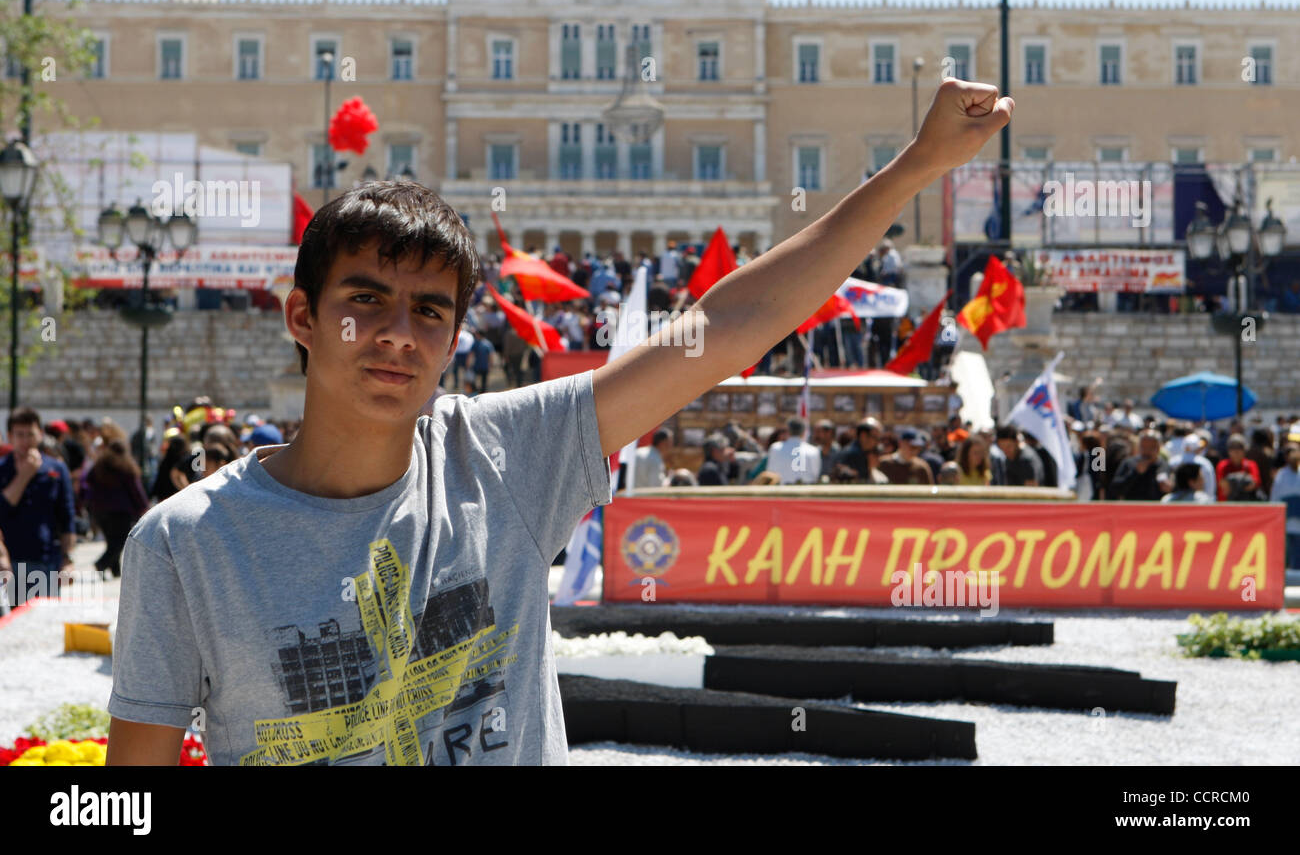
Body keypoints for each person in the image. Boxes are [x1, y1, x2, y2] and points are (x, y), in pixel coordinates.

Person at [108, 78, 1012, 765]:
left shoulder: (508, 453)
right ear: (301, 316)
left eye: (429, 311)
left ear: (458, 337)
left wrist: (918, 167)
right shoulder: (184, 545)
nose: (396, 334)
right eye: (365, 299)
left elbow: (729, 328)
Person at [0, 407, 77, 607]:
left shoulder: (56, 470)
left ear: (40, 435)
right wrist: (24, 475)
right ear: (10, 437)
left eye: (31, 434)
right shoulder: (2, 469)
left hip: (45, 560)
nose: (26, 441)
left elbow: (67, 517)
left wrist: (67, 559)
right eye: (20, 435)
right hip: (8, 561)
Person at [81, 423, 150, 577]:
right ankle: (101, 564)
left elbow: (88, 482)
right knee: (118, 542)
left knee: (112, 541)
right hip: (121, 511)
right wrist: (144, 507)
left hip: (99, 510)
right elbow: (136, 489)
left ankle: (116, 570)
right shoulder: (127, 466)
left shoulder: (99, 466)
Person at [1111, 430, 1173, 501]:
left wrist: (1169, 487)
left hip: (1156, 509)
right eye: (1144, 447)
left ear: (1159, 448)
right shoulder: (1129, 463)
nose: (1147, 451)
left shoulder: (1163, 465)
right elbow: (1115, 489)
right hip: (1133, 508)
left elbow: (1173, 489)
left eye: (1152, 447)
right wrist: (1135, 473)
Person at [1268, 445, 1300, 569]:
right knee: (1283, 553)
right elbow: (1275, 496)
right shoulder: (1281, 475)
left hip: (1298, 524)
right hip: (1284, 522)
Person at [765, 417, 822, 484]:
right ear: (804, 432)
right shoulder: (814, 451)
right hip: (806, 492)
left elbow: (769, 473)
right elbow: (815, 475)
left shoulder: (775, 448)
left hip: (781, 492)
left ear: (788, 430)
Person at [1216, 434, 1261, 501]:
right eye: (1232, 447)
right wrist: (1242, 481)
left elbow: (1254, 484)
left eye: (1239, 447)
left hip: (1246, 504)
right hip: (1225, 504)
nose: (1236, 451)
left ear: (1245, 449)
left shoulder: (1251, 464)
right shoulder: (1223, 465)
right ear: (1228, 450)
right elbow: (1224, 488)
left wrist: (1235, 482)